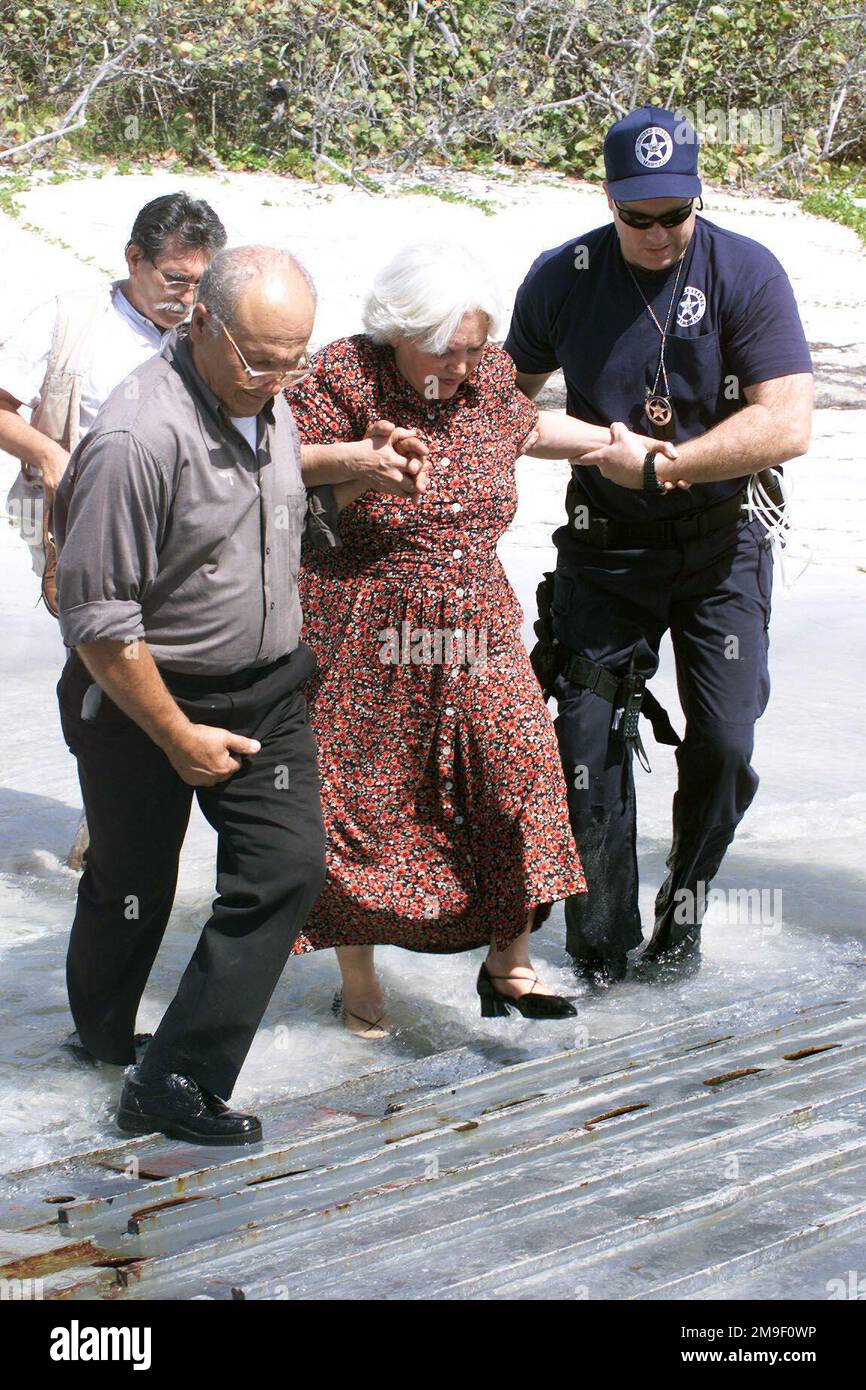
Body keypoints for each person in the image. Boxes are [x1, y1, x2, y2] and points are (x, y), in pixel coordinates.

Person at [52, 245, 428, 1144]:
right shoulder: (136, 437)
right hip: (141, 695)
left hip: (266, 691)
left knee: (285, 871)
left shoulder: (263, 392)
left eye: (293, 359)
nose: (277, 378)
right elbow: (98, 619)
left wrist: (353, 459)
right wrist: (176, 732)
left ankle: (175, 1078)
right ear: (201, 324)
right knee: (131, 883)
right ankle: (103, 1035)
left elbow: (267, 475)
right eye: (259, 358)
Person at [289, 241, 679, 1037]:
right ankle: (360, 986)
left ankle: (512, 966)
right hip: (366, 624)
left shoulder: (488, 375)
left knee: (519, 779)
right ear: (398, 332)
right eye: (450, 350)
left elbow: (526, 430)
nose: (468, 364)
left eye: (477, 347)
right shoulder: (342, 376)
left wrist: (616, 444)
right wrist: (361, 462)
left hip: (477, 621)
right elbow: (275, 465)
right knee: (364, 808)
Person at [504, 106, 813, 984]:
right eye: (636, 217)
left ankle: (682, 913)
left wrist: (666, 465)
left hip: (722, 543)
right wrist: (599, 447)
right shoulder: (562, 277)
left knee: (726, 746)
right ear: (608, 201)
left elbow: (786, 421)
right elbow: (503, 404)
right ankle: (600, 956)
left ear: (697, 198)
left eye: (674, 215)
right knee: (587, 752)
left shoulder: (746, 270)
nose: (656, 233)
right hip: (605, 551)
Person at [0, 191, 227, 869]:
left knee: (171, 662)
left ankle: (130, 821)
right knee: (105, 658)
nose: (186, 297)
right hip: (81, 527)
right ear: (134, 258)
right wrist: (48, 456)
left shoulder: (210, 330)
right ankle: (109, 828)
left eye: (200, 282)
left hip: (184, 530)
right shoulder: (73, 319)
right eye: (174, 279)